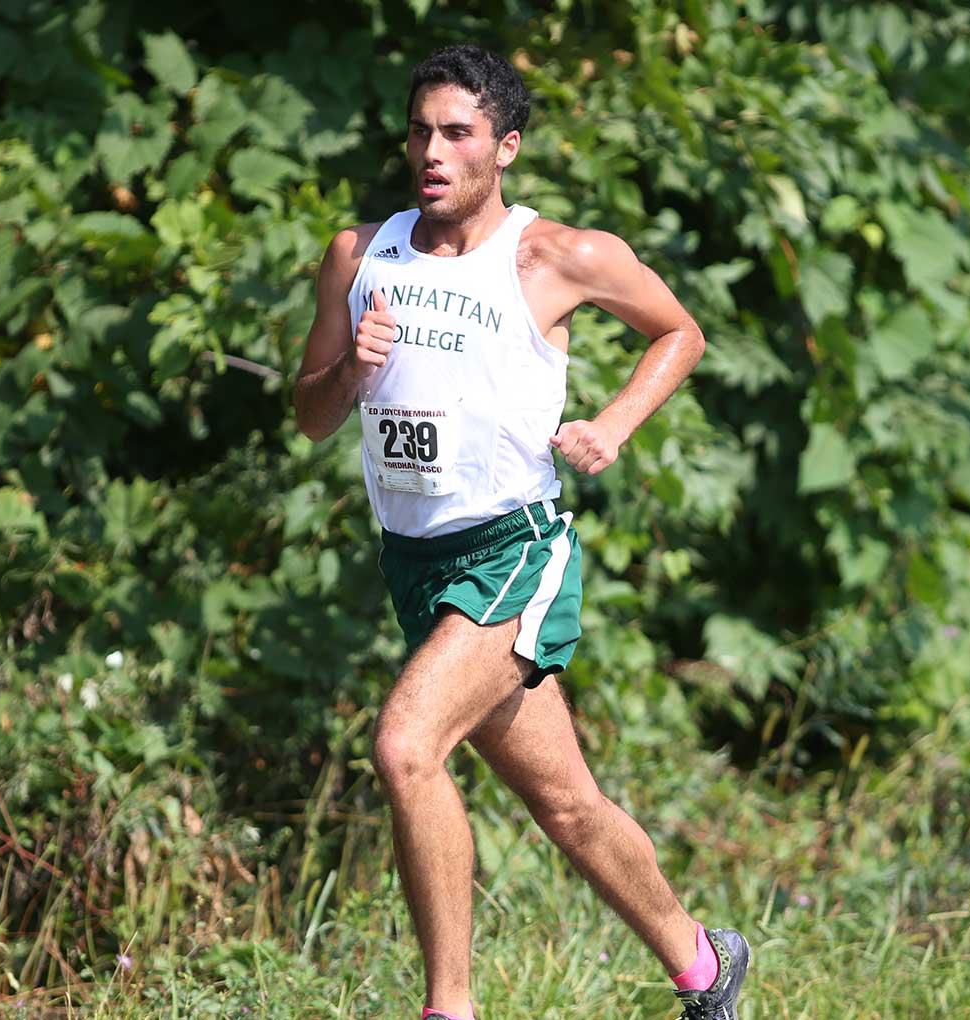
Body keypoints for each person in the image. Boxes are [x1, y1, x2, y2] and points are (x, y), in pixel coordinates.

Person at [291, 43, 750, 1020]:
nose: (432, 152)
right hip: (415, 565)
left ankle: (447, 1008)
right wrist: (351, 374)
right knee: (567, 805)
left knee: (406, 746)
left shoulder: (557, 256)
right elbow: (311, 416)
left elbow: (680, 332)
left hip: (513, 550)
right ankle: (706, 966)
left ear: (505, 147)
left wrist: (614, 425)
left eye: (457, 134)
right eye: (420, 131)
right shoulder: (358, 256)